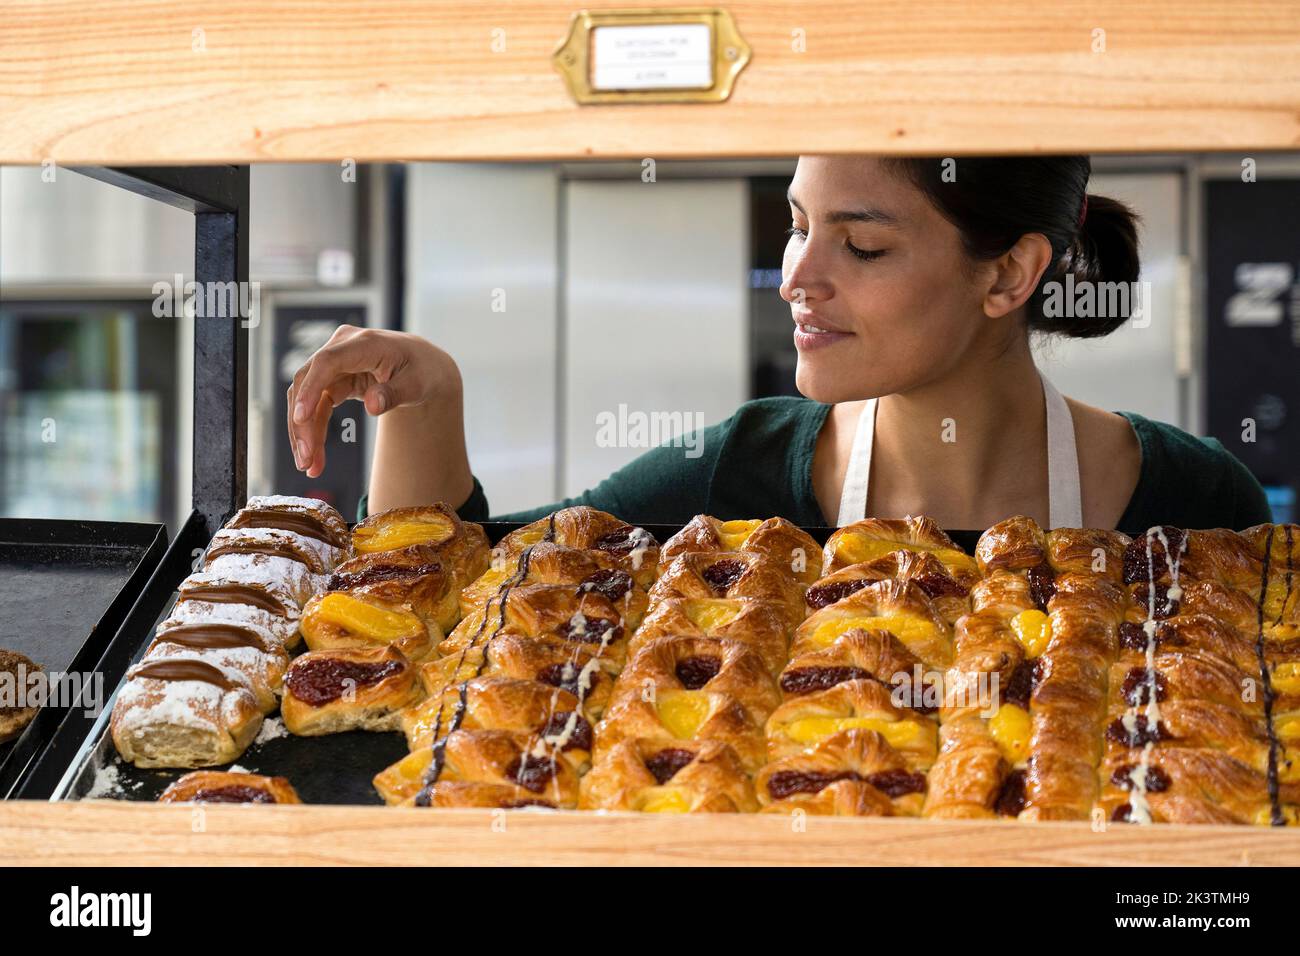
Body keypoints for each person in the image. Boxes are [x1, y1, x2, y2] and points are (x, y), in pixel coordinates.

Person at [285, 155, 1271, 532]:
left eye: (863, 243)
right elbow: (466, 579)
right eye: (798, 225)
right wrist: (426, 395)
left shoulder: (1197, 504)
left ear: (1008, 274)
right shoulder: (736, 472)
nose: (797, 274)